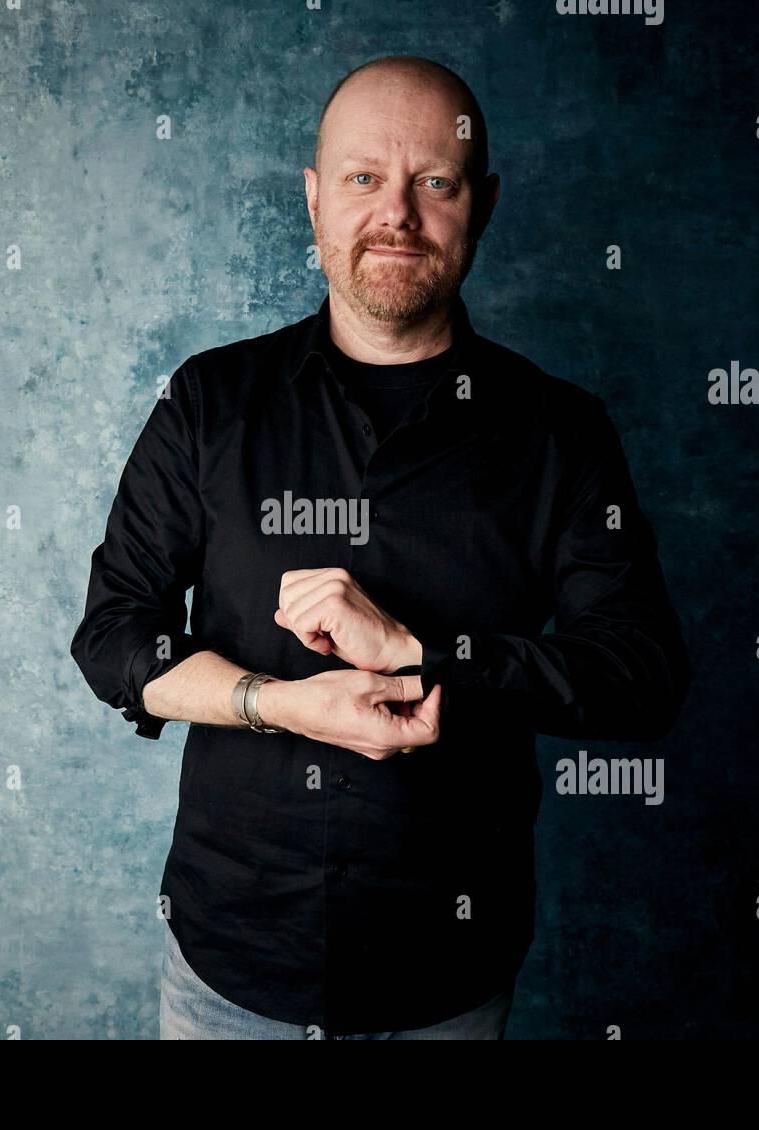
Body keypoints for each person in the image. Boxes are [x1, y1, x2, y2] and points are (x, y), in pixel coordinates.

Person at [71, 54, 691, 1040]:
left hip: (446, 974)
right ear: (315, 201)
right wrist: (275, 704)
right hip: (228, 965)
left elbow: (641, 676)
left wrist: (419, 652)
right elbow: (110, 637)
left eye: (432, 182)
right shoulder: (208, 403)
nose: (395, 214)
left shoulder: (559, 432)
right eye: (363, 179)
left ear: (478, 204)